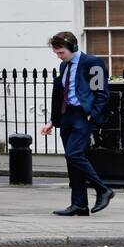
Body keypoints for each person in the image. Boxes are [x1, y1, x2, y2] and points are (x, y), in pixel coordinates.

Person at [41, 31, 114, 216]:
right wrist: (52, 121)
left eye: (61, 52)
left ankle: (103, 189)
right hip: (67, 116)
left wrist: (93, 114)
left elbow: (102, 92)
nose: (59, 56)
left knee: (74, 154)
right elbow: (60, 95)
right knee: (71, 160)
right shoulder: (63, 66)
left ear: (73, 47)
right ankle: (79, 204)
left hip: (83, 116)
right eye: (57, 53)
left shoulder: (92, 62)